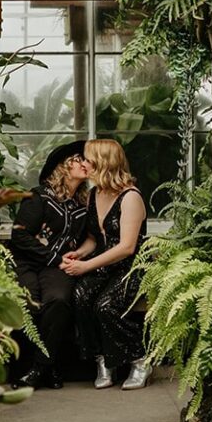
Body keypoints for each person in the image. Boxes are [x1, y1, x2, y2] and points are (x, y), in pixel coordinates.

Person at [60, 137, 150, 390]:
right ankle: (103, 360)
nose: (83, 163)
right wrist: (78, 254)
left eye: (87, 159)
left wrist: (86, 266)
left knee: (105, 306)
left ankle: (140, 359)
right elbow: (93, 239)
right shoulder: (94, 194)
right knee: (80, 295)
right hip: (103, 265)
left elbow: (126, 247)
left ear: (102, 163)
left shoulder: (131, 197)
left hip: (130, 266)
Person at [10, 140, 91, 389]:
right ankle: (50, 367)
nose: (85, 164)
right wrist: (55, 257)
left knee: (58, 301)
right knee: (28, 303)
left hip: (59, 268)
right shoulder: (39, 197)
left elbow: (92, 238)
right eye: (79, 160)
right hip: (30, 263)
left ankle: (39, 368)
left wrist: (75, 255)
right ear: (63, 167)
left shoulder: (84, 204)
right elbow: (19, 236)